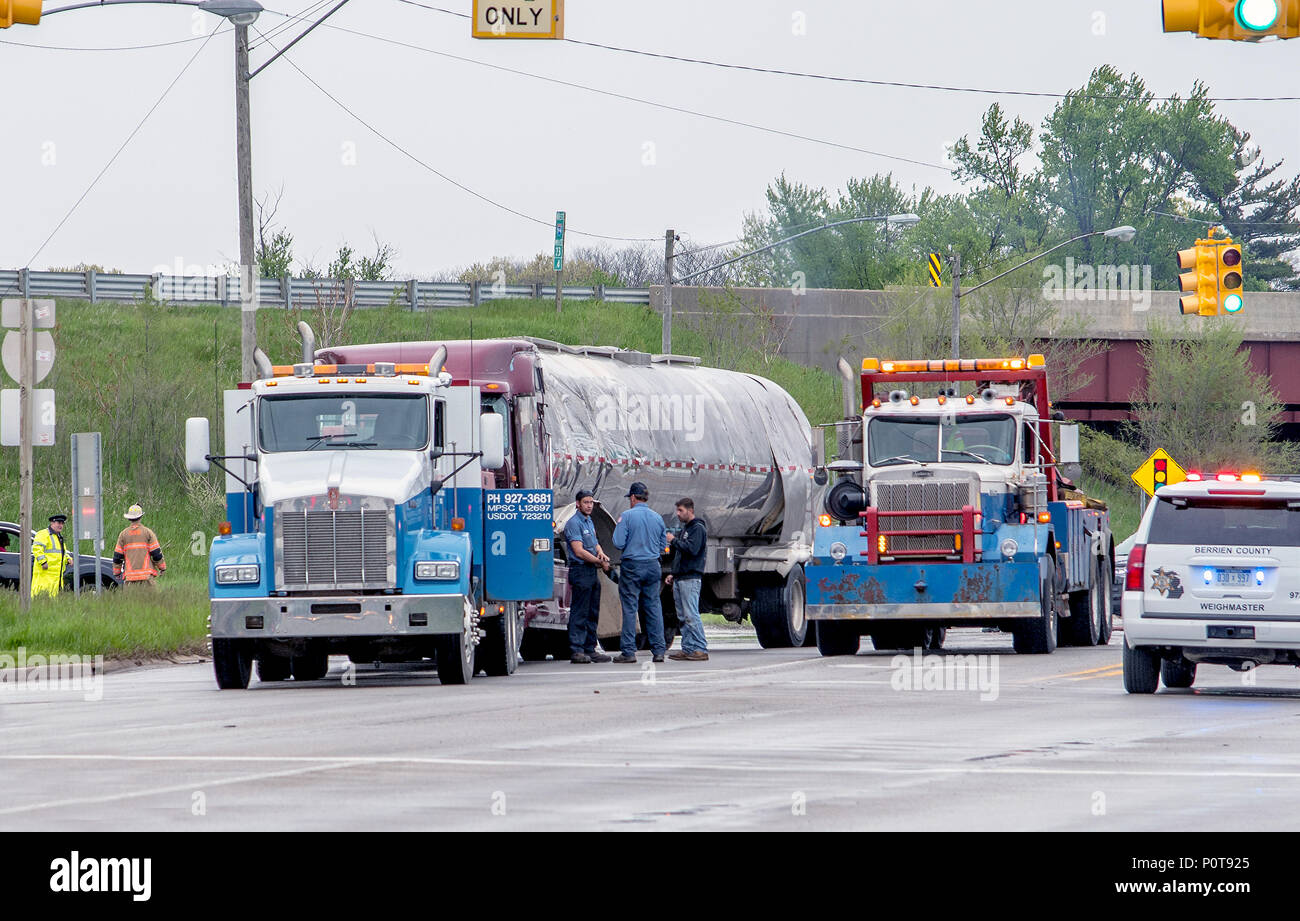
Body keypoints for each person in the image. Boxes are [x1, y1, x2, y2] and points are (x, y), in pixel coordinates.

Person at [611, 481, 667, 664]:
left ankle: (628, 652)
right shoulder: (657, 518)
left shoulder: (626, 516)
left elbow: (618, 542)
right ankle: (659, 651)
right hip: (652, 565)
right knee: (653, 607)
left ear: (633, 498)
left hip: (632, 566)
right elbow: (662, 546)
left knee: (630, 608)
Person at [564, 490, 612, 665]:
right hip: (581, 570)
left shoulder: (588, 521)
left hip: (591, 570)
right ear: (578, 503)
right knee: (580, 611)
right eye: (586, 502)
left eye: (591, 502)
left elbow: (594, 542)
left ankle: (590, 649)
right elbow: (579, 551)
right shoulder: (573, 523)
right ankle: (577, 650)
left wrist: (601, 554)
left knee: (593, 611)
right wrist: (599, 563)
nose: (589, 505)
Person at [666, 498, 709, 661]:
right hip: (681, 577)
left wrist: (674, 540)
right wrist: (674, 573)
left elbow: (692, 550)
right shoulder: (686, 528)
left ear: (690, 510)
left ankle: (700, 648)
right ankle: (688, 647)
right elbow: (681, 555)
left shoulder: (697, 528)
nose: (678, 514)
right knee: (683, 615)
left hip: (691, 578)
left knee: (691, 614)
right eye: (677, 510)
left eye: (681, 510)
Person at [113, 504, 166, 585]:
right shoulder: (148, 532)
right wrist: (162, 567)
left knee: (131, 598)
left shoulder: (123, 534)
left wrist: (117, 572)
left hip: (130, 578)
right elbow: (156, 553)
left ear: (129, 518)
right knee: (149, 598)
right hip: (146, 577)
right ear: (141, 517)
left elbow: (118, 556)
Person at [31, 513, 71, 598]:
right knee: (42, 597)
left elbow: (62, 552)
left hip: (56, 575)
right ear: (52, 523)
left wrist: (68, 558)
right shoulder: (43, 534)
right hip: (45, 574)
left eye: (62, 523)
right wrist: (43, 562)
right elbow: (37, 548)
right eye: (58, 523)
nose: (61, 525)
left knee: (53, 599)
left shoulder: (58, 536)